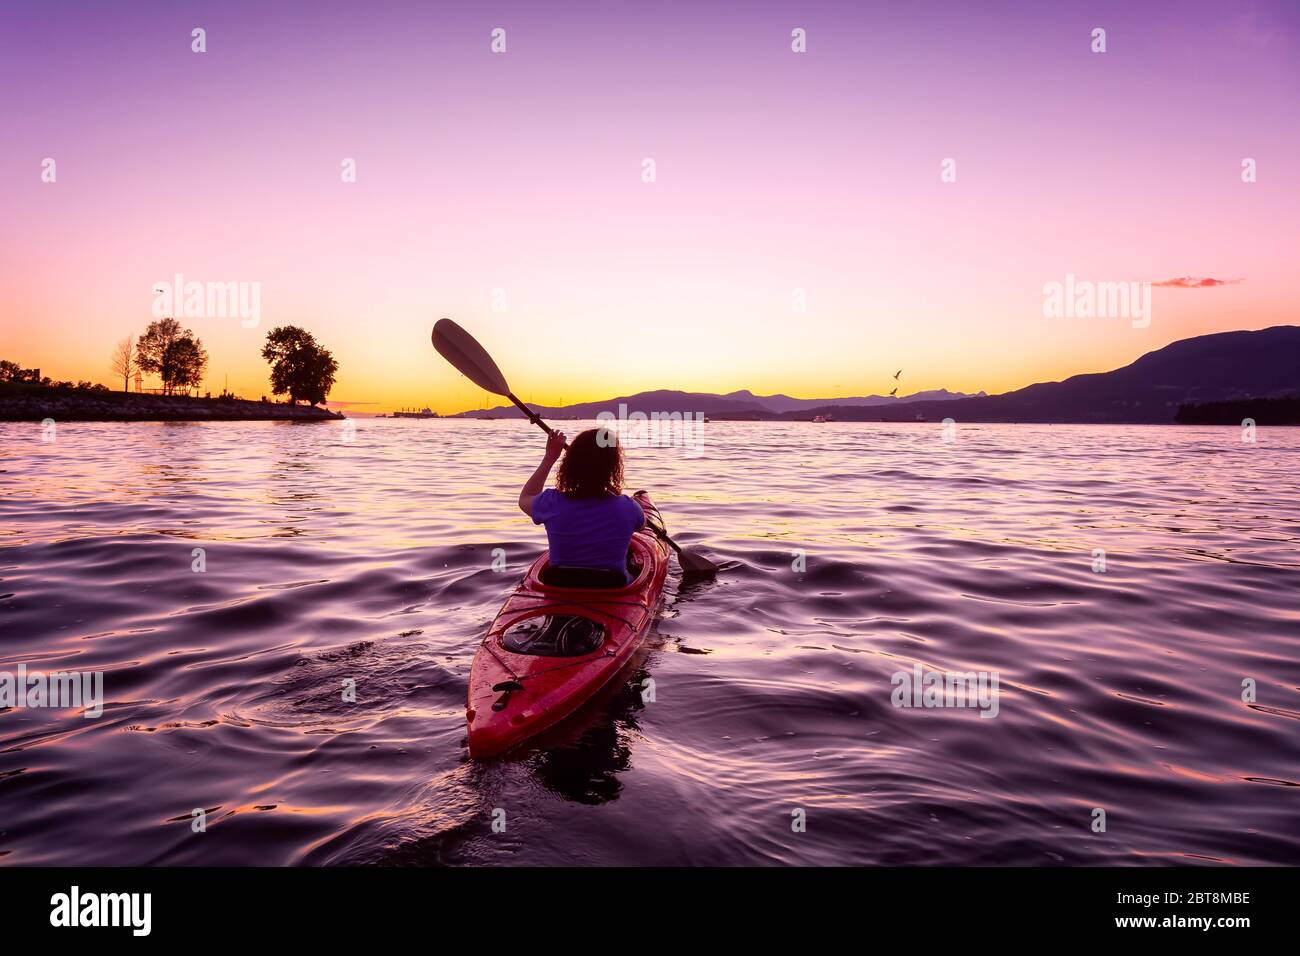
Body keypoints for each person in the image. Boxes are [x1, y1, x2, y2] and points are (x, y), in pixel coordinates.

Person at [519, 427, 645, 581]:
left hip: (560, 583)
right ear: (613, 468)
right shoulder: (628, 507)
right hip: (611, 585)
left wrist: (550, 457)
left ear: (570, 465)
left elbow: (526, 497)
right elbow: (641, 525)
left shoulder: (551, 502)